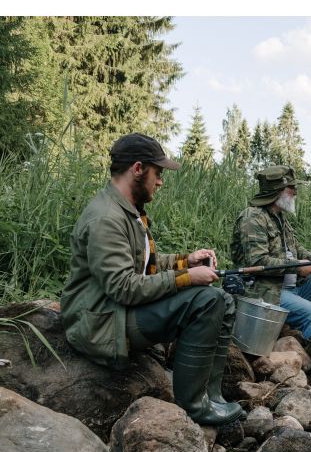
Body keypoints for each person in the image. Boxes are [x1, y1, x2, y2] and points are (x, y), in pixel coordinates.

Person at [61, 133, 244, 426]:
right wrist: (187, 278)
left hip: (119, 310)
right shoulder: (106, 218)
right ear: (138, 169)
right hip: (102, 322)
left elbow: (142, 265)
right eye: (157, 173)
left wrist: (186, 261)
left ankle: (212, 395)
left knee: (223, 299)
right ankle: (194, 407)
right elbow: (124, 288)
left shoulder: (127, 211)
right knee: (207, 301)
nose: (160, 182)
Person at [230, 165, 311, 392]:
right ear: (277, 190)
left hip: (290, 287)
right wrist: (296, 268)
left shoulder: (279, 217)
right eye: (291, 188)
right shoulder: (252, 218)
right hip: (265, 292)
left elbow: (297, 250)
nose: (295, 192)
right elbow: (257, 261)